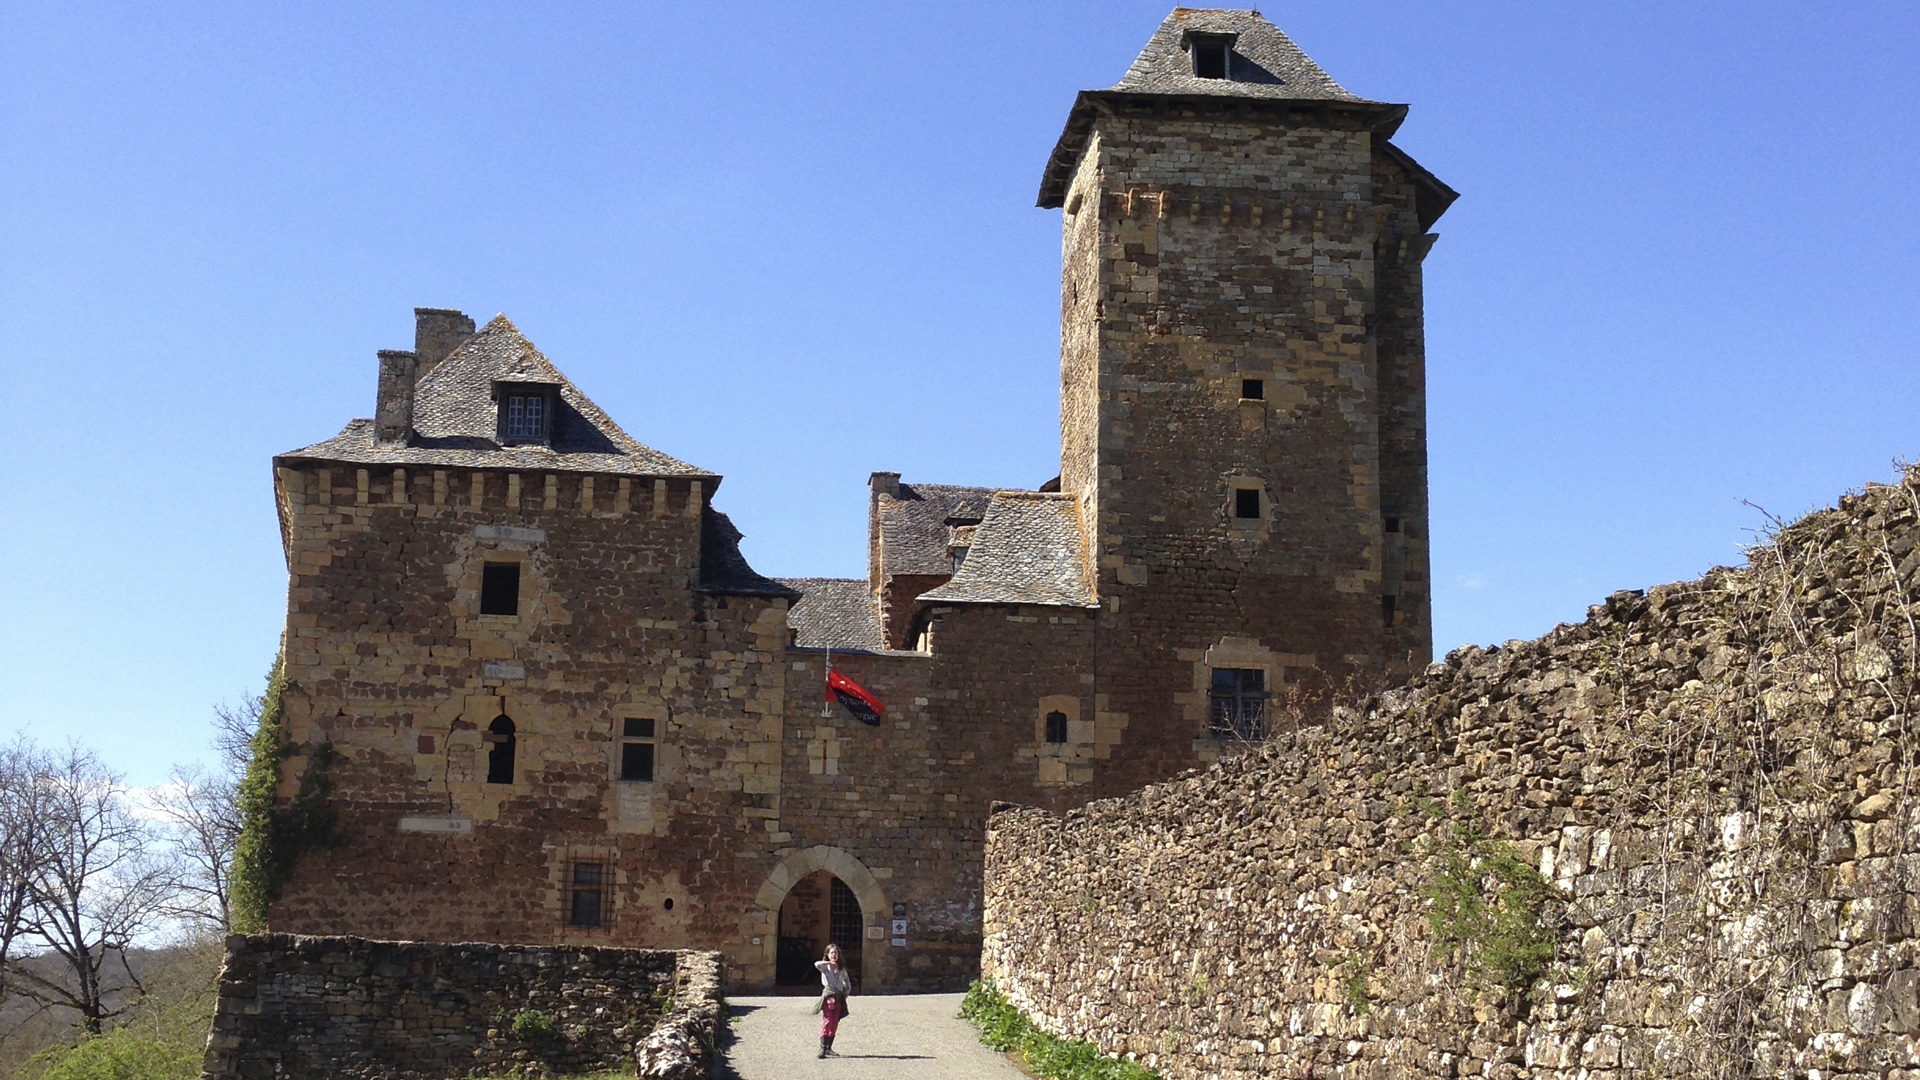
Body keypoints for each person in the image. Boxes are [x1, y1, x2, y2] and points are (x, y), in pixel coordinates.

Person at [812, 942, 852, 1058]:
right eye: (831, 953)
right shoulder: (825, 967)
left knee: (834, 1021)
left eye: (835, 953)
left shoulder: (841, 968)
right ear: (828, 954)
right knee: (827, 1020)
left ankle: (829, 1047)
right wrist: (829, 962)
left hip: (839, 996)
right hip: (829, 996)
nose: (834, 955)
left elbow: (847, 980)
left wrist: (847, 990)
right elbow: (817, 964)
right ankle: (822, 1047)